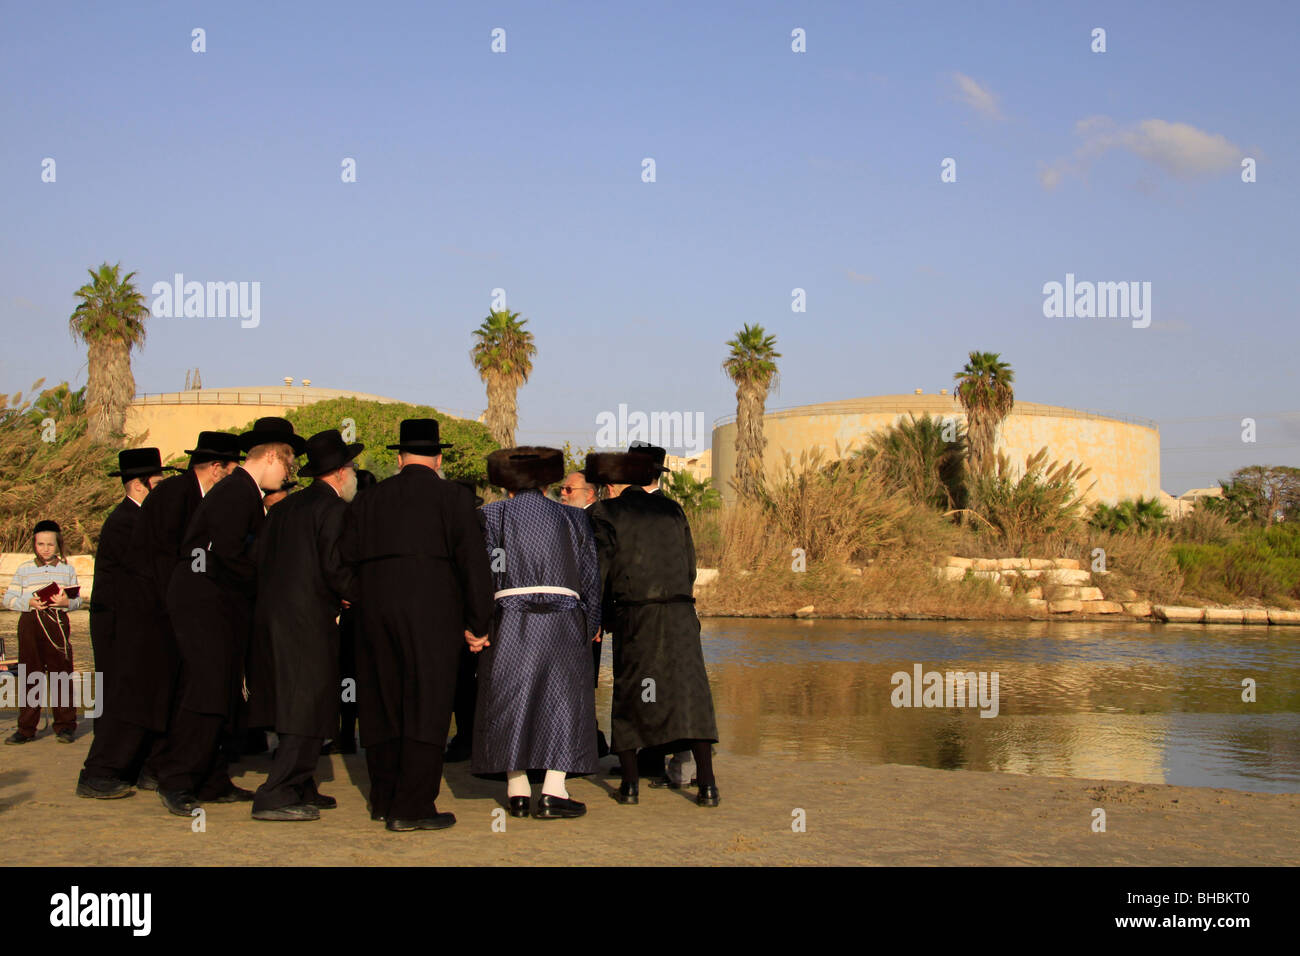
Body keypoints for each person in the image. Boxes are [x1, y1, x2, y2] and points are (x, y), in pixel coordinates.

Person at [340, 419, 493, 832]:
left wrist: (364, 596)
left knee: (381, 703)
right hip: (433, 614)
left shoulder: (368, 500)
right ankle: (413, 806)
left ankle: (383, 798)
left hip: (373, 614)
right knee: (427, 705)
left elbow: (341, 564)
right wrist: (478, 623)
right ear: (439, 458)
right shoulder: (455, 499)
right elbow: (474, 567)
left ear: (399, 456)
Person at [78, 432, 243, 797]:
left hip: (164, 615)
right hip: (145, 616)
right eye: (233, 468)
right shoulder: (175, 497)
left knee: (164, 697)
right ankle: (101, 771)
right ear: (217, 468)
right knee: (135, 697)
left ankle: (157, 767)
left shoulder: (189, 497)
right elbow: (160, 561)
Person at [155, 417, 304, 817]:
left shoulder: (242, 492)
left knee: (220, 693)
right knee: (205, 690)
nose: (288, 475)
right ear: (272, 456)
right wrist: (268, 580)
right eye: (288, 466)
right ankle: (177, 779)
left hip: (217, 601)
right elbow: (223, 554)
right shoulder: (237, 493)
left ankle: (210, 778)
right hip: (204, 601)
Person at [469, 447, 600, 820]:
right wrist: (589, 624)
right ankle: (555, 791)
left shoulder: (490, 514)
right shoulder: (572, 517)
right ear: (547, 481)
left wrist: (479, 624)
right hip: (564, 618)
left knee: (510, 697)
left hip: (508, 616)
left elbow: (486, 573)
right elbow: (590, 574)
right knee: (563, 700)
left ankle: (518, 790)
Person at [586, 452, 720, 807]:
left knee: (632, 692)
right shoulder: (674, 510)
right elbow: (689, 566)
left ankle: (630, 785)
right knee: (690, 694)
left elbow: (600, 572)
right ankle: (707, 785)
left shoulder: (606, 512)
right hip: (679, 613)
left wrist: (597, 617)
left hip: (636, 614)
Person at [247, 430, 361, 821]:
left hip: (273, 617)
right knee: (306, 704)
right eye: (352, 468)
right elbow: (335, 567)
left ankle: (301, 784)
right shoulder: (333, 510)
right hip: (307, 620)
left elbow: (257, 558)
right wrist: (359, 595)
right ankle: (276, 791)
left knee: (299, 701)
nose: (355, 475)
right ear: (341, 473)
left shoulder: (285, 508)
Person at [4, 521, 83, 745]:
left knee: (61, 674)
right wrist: (27, 601)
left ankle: (65, 725)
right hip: (30, 622)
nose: (45, 548)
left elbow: (77, 600)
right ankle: (26, 728)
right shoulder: (24, 568)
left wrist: (66, 601)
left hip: (57, 622)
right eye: (41, 544)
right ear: (34, 544)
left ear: (58, 544)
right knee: (31, 675)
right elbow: (7, 599)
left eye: (50, 544)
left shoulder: (67, 569)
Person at [558, 468, 610, 759]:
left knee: (583, 679)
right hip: (573, 614)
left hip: (587, 615)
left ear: (589, 494)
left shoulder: (596, 521)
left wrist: (596, 616)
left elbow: (598, 572)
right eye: (562, 489)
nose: (562, 494)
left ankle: (589, 741)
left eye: (568, 490)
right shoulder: (576, 519)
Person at [328, 468, 376, 756]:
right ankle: (366, 735)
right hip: (370, 609)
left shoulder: (347, 520)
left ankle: (346, 734)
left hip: (353, 609)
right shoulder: (382, 522)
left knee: (347, 672)